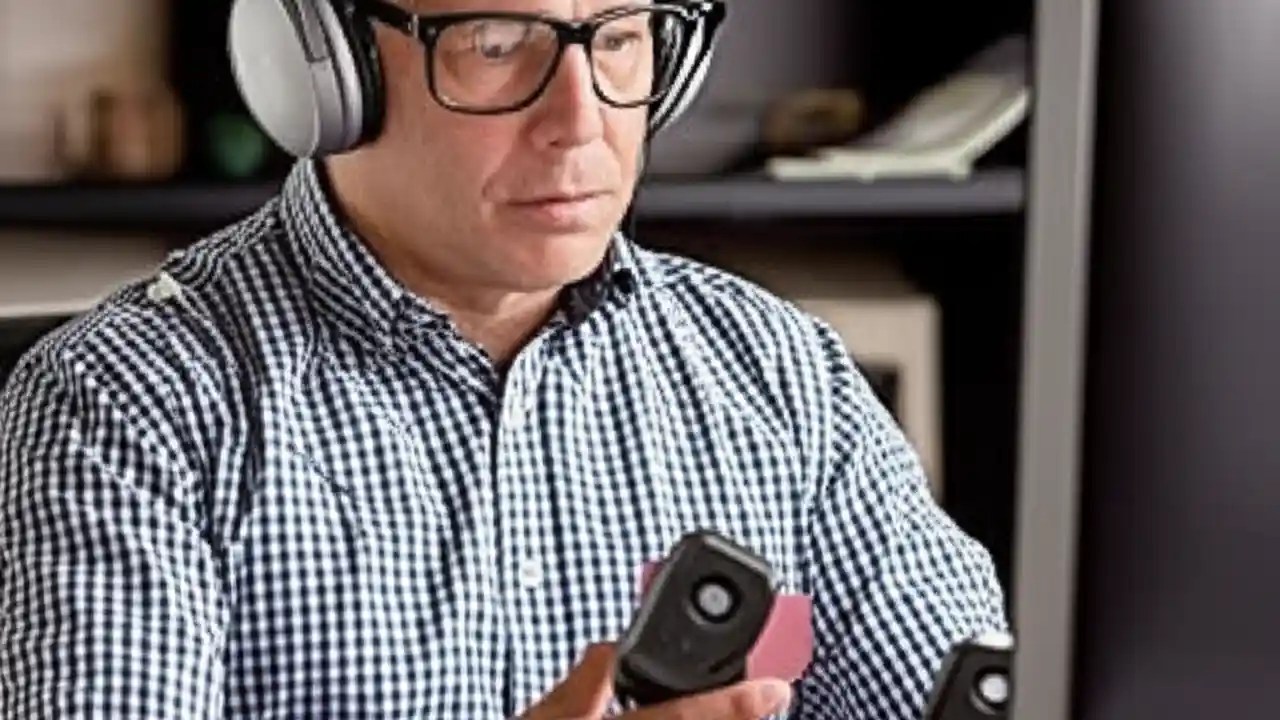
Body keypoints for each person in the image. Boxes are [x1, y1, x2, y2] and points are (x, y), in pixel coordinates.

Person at [0, 0, 1006, 718]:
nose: (581, 122)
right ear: (323, 68)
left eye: (618, 39)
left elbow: (968, 689)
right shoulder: (124, 405)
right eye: (494, 44)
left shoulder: (780, 376)